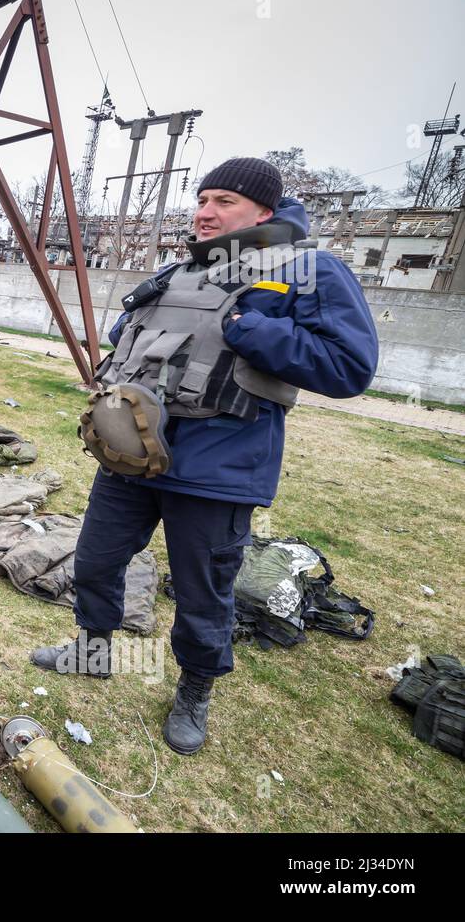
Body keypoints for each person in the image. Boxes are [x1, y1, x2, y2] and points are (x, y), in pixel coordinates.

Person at [31, 157, 379, 755]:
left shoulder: (307, 269)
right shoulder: (178, 270)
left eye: (224, 201)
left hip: (218, 468)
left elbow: (350, 365)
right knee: (94, 561)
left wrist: (251, 330)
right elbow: (128, 338)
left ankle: (194, 692)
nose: (206, 211)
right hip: (133, 454)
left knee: (201, 593)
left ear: (264, 212)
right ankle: (93, 650)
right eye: (203, 199)